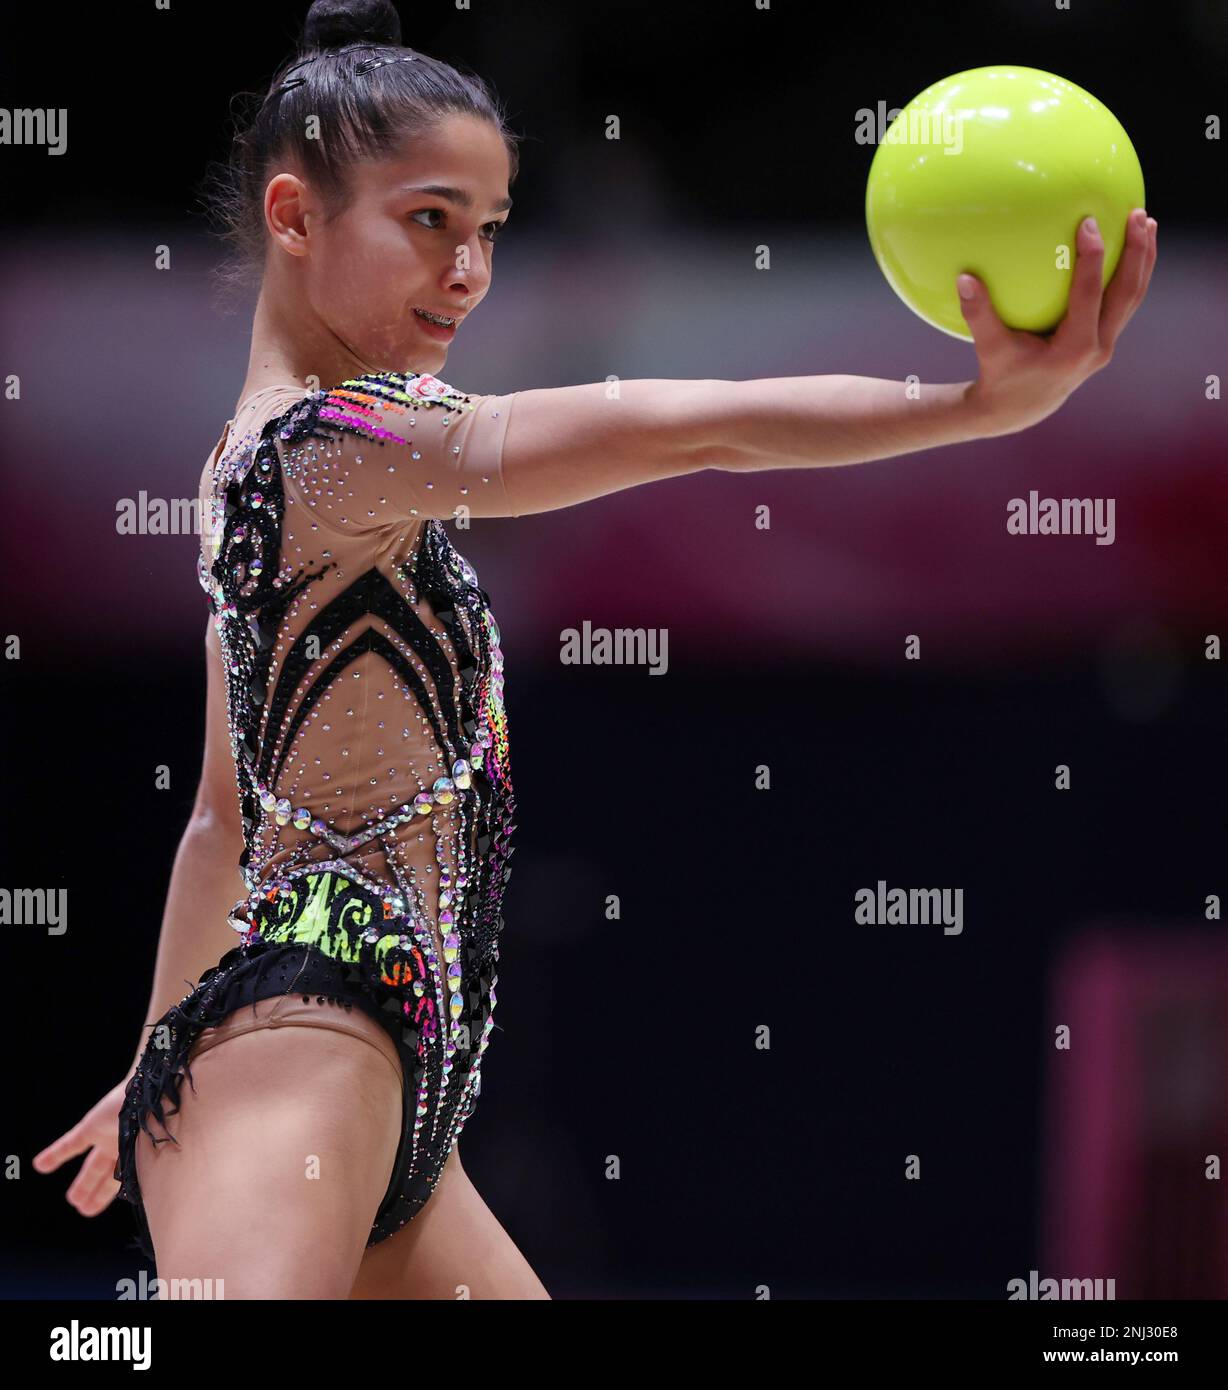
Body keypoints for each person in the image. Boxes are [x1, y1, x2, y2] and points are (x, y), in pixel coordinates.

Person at [31, 0, 1158, 1300]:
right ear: (295, 219)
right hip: (299, 1056)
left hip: (389, 1081)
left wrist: (157, 1054)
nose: (468, 272)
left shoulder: (271, 471)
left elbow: (223, 822)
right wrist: (972, 407)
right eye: (429, 222)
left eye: (490, 230)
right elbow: (692, 429)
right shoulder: (324, 449)